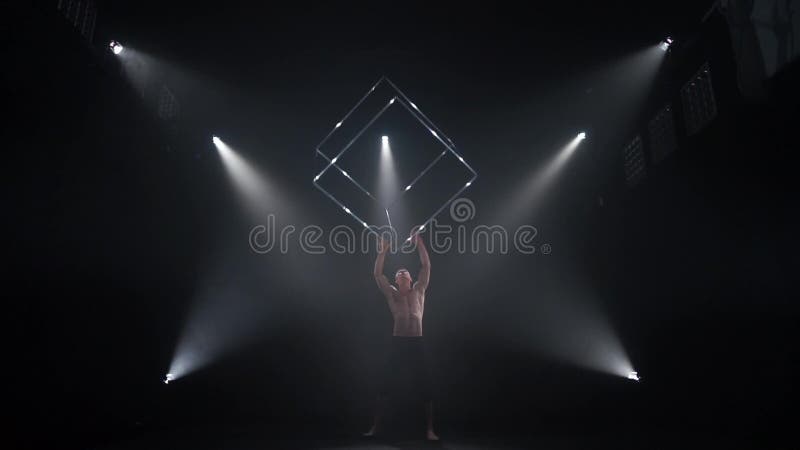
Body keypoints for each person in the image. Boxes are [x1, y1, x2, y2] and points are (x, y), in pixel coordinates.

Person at [364, 230, 438, 441]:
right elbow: (378, 274)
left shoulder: (419, 290)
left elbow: (426, 266)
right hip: (398, 342)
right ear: (396, 280)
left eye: (406, 271)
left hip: (417, 342)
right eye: (399, 272)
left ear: (411, 278)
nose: (403, 272)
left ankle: (430, 429)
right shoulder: (392, 294)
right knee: (384, 385)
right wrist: (384, 251)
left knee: (426, 386)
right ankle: (375, 426)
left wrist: (419, 243)